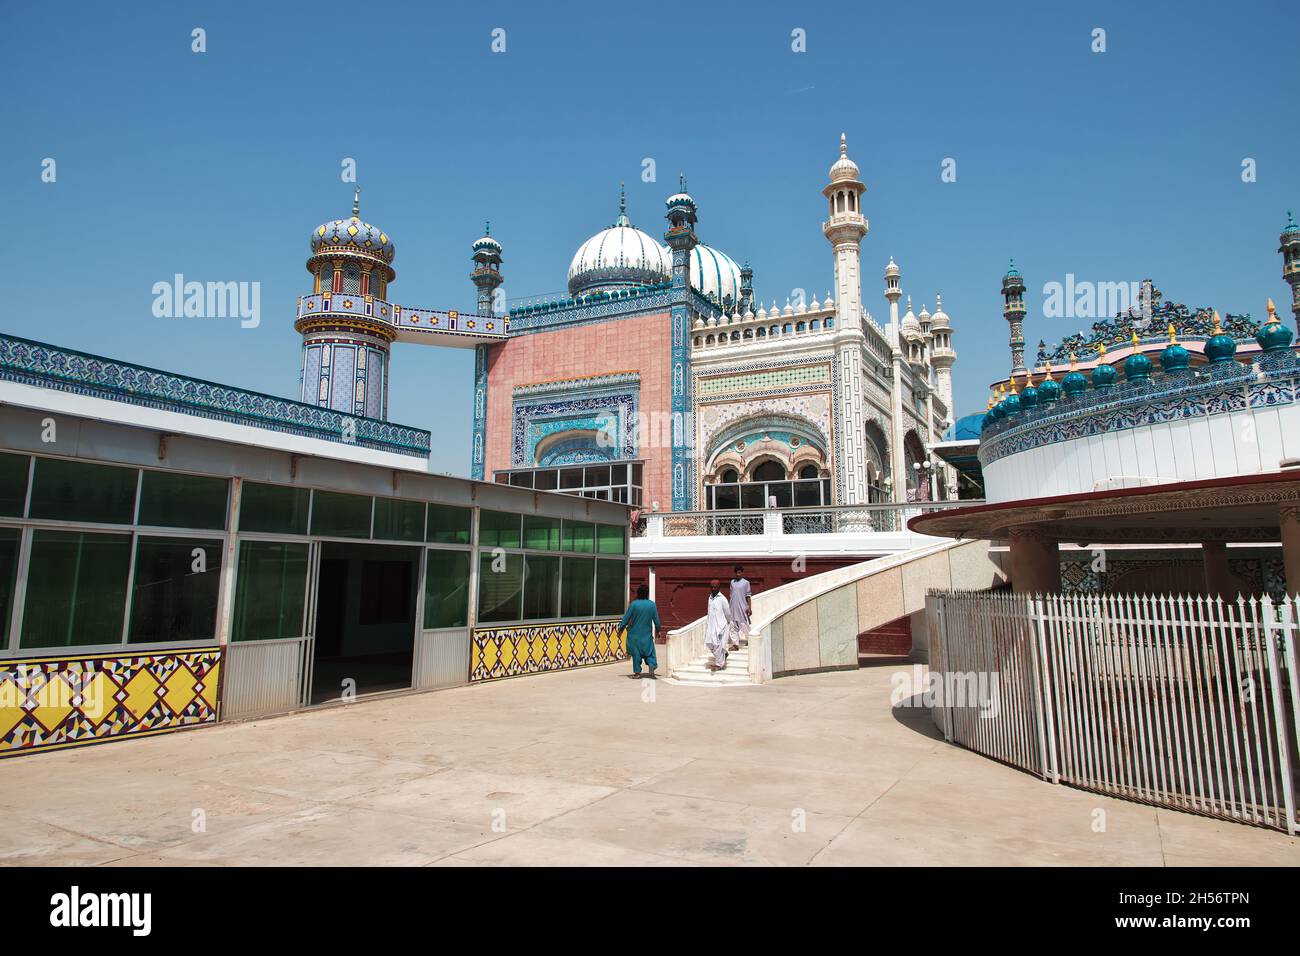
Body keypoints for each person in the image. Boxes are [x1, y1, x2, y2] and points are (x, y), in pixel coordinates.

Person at [617, 584, 661, 679]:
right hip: (647, 635)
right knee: (649, 652)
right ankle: (652, 664)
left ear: (638, 593)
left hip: (634, 635)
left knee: (636, 654)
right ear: (647, 594)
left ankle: (637, 673)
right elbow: (656, 620)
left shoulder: (634, 604)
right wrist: (658, 630)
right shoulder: (652, 605)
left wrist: (620, 629)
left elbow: (626, 618)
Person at [704, 579, 732, 671]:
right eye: (711, 587)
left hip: (721, 626)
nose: (713, 589)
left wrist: (727, 623)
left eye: (715, 587)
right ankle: (724, 654)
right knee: (709, 643)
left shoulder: (723, 599)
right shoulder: (710, 598)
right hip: (711, 625)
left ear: (719, 587)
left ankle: (719, 664)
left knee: (718, 644)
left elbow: (727, 613)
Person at [728, 565, 752, 651]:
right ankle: (735, 645)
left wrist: (749, 608)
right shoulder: (732, 582)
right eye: (736, 572)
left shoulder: (746, 583)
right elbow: (731, 595)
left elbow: (748, 596)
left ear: (742, 573)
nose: (738, 574)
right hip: (733, 608)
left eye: (739, 572)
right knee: (733, 626)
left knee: (744, 625)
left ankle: (751, 640)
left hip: (742, 608)